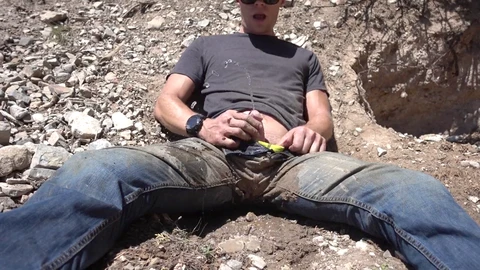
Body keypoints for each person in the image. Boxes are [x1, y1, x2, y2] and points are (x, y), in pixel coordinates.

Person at [0, 0, 479, 269]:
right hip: (209, 155)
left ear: (282, 3)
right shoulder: (207, 45)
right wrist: (202, 125)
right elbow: (167, 101)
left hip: (292, 163)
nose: (259, 3)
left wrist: (308, 135)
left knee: (414, 189)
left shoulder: (302, 56)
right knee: (96, 168)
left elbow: (322, 119)